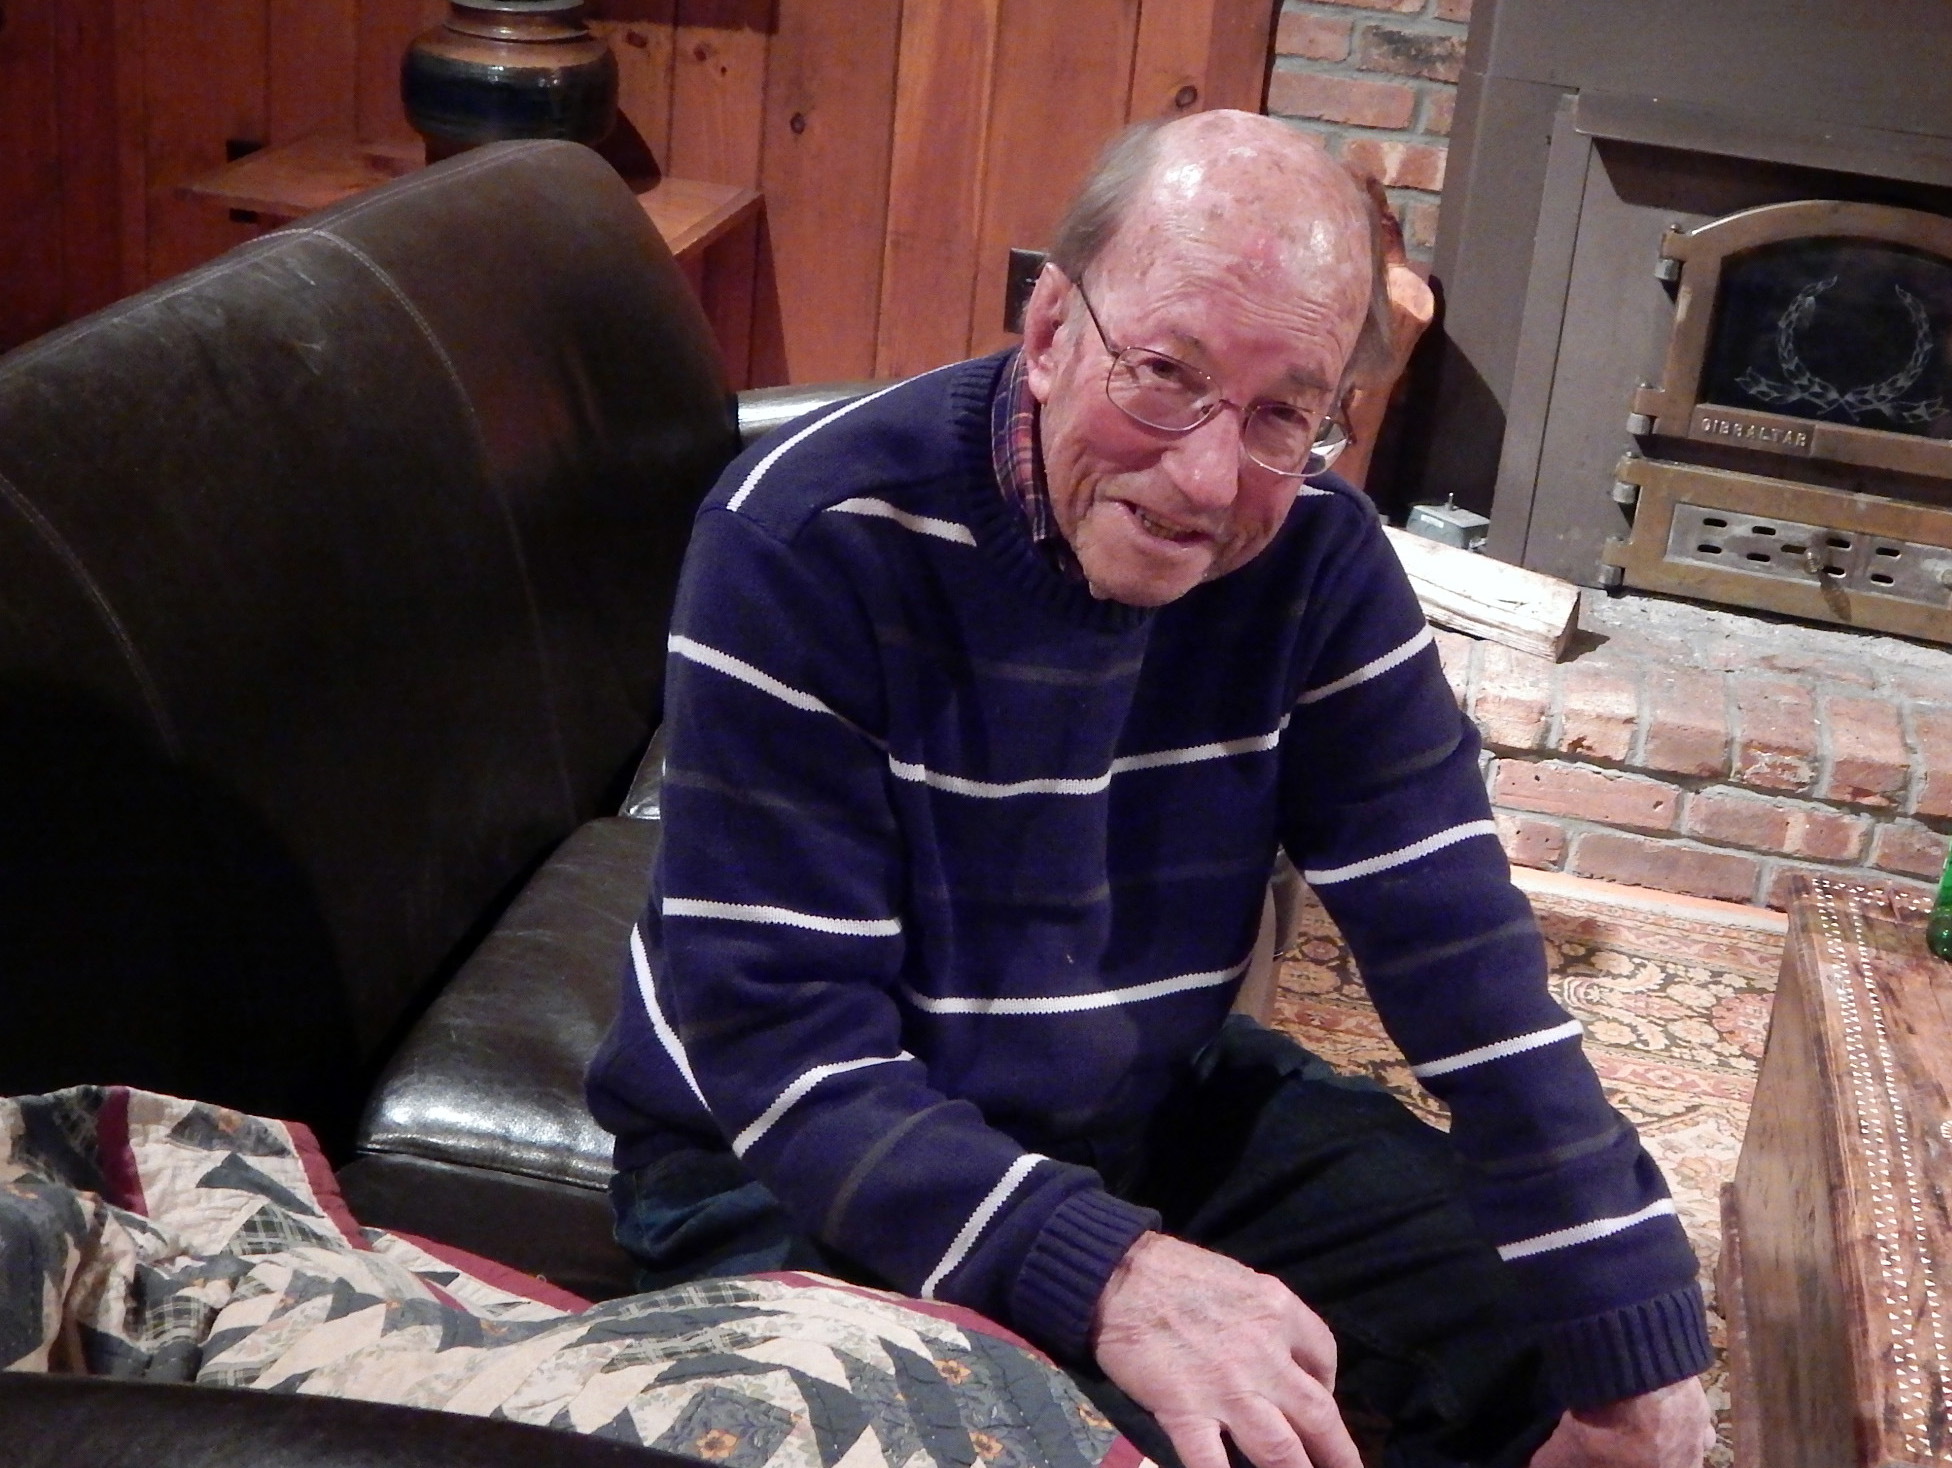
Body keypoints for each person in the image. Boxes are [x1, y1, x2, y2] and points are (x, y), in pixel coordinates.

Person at [586, 110, 1716, 1468]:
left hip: (1145, 1108)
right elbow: (784, 1054)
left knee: (1559, 1331)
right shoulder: (807, 542)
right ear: (1052, 329)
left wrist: (1627, 1317)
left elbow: (1462, 946)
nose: (1205, 477)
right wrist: (1113, 1273)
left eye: (1283, 413)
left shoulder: (1320, 563)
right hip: (786, 1163)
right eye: (1166, 374)